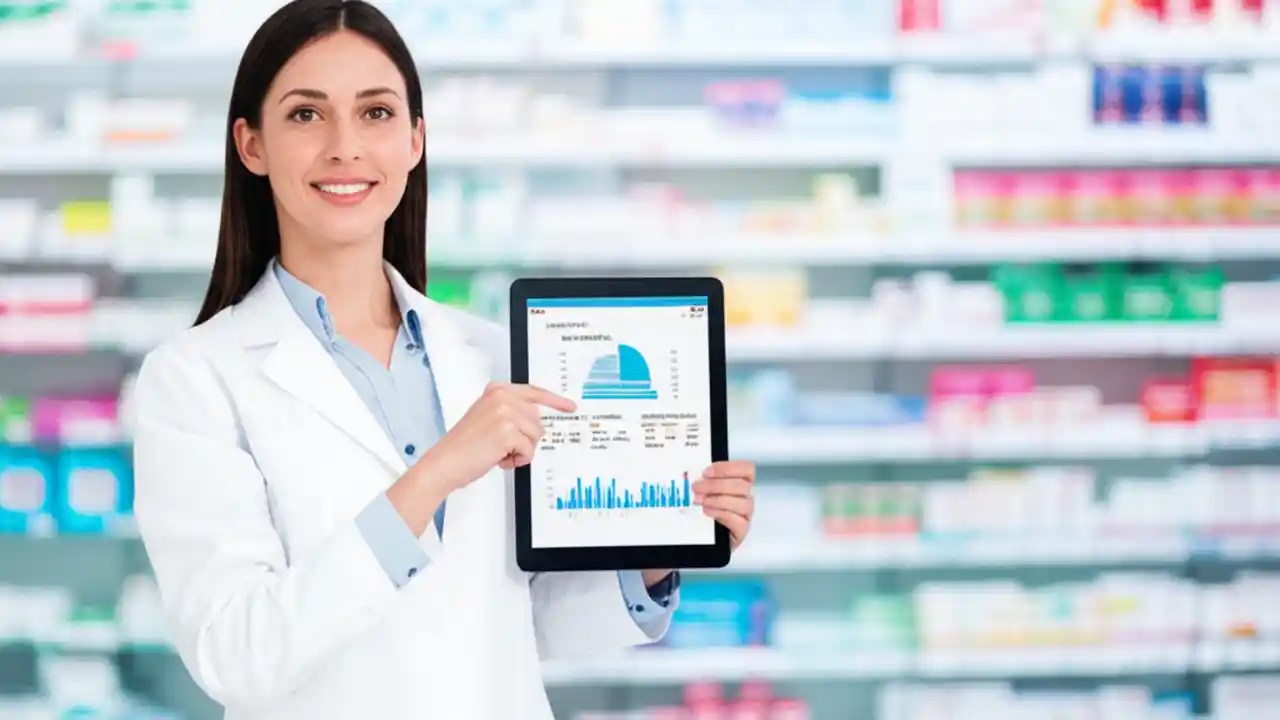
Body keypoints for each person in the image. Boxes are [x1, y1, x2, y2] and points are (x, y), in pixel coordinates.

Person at [129, 1, 758, 718]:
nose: (345, 147)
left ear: (415, 140)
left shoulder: (489, 354)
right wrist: (434, 475)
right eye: (307, 115)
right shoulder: (195, 379)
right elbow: (236, 653)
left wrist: (662, 545)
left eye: (376, 114)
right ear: (251, 144)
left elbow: (526, 622)